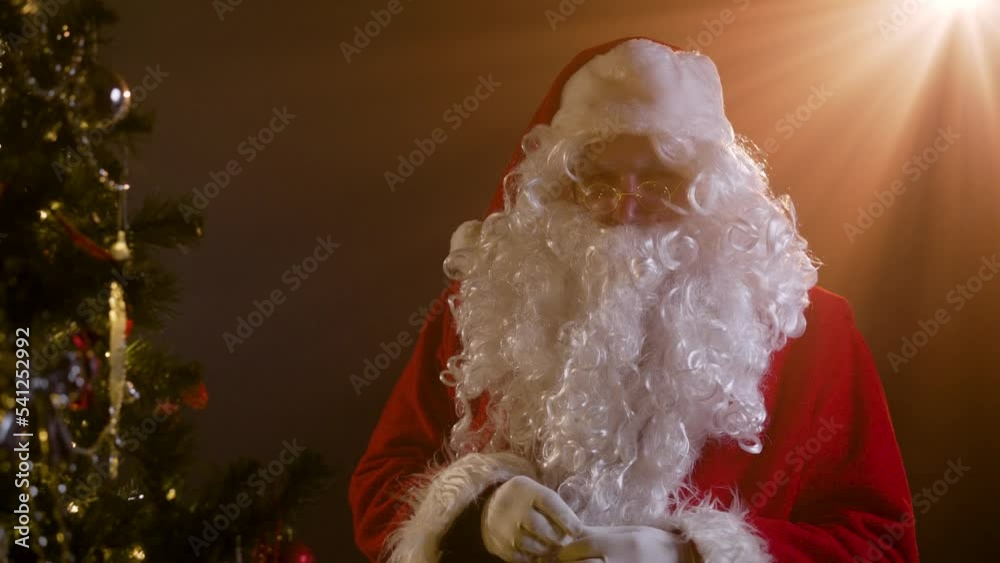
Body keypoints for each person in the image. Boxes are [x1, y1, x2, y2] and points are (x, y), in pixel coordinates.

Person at [349, 37, 919, 563]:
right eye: (597, 179)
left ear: (709, 189)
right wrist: (477, 507)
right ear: (555, 186)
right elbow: (382, 481)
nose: (624, 210)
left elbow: (880, 538)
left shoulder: (809, 328)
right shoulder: (485, 305)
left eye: (662, 181)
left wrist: (691, 554)